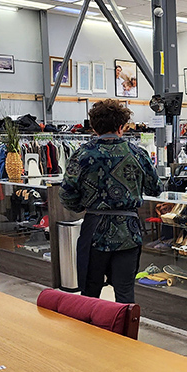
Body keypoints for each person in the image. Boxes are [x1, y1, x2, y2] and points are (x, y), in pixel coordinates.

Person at [60, 99, 161, 303]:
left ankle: (89, 334)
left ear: (95, 127)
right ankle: (124, 335)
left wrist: (83, 207)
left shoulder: (83, 154)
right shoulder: (138, 154)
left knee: (89, 294)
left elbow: (66, 194)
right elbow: (155, 188)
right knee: (125, 295)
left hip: (94, 231)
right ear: (120, 127)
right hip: (128, 233)